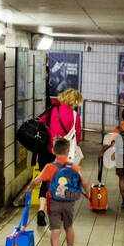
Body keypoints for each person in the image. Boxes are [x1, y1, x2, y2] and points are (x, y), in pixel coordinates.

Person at [36, 87, 84, 226]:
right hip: (62, 155)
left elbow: (40, 123)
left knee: (46, 181)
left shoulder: (52, 110)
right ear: (75, 102)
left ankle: (41, 210)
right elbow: (78, 138)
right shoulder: (75, 116)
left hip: (46, 152)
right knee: (62, 182)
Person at [38, 137, 83, 246]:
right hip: (69, 202)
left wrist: (29, 188)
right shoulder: (73, 167)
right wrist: (88, 194)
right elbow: (83, 182)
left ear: (53, 150)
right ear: (68, 151)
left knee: (55, 230)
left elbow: (37, 180)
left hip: (54, 202)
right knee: (68, 227)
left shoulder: (49, 167)